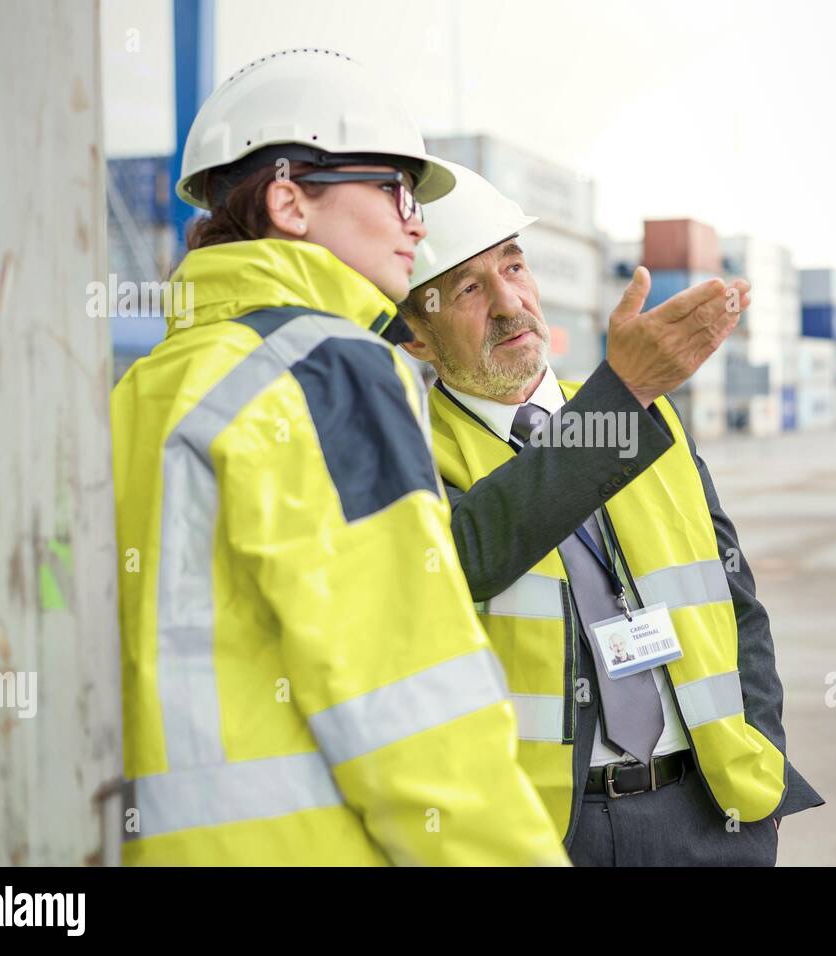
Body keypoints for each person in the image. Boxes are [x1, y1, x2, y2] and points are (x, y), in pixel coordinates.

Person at [112, 49, 568, 866]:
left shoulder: (140, 390)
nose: (416, 222)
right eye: (395, 189)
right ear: (289, 200)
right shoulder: (326, 368)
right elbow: (413, 709)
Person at [397, 163, 825, 866]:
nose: (510, 303)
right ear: (416, 335)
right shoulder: (409, 452)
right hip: (547, 835)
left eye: (514, 267)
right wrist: (620, 395)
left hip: (706, 814)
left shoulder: (648, 418)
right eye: (470, 288)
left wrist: (762, 776)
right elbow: (464, 561)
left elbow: (736, 605)